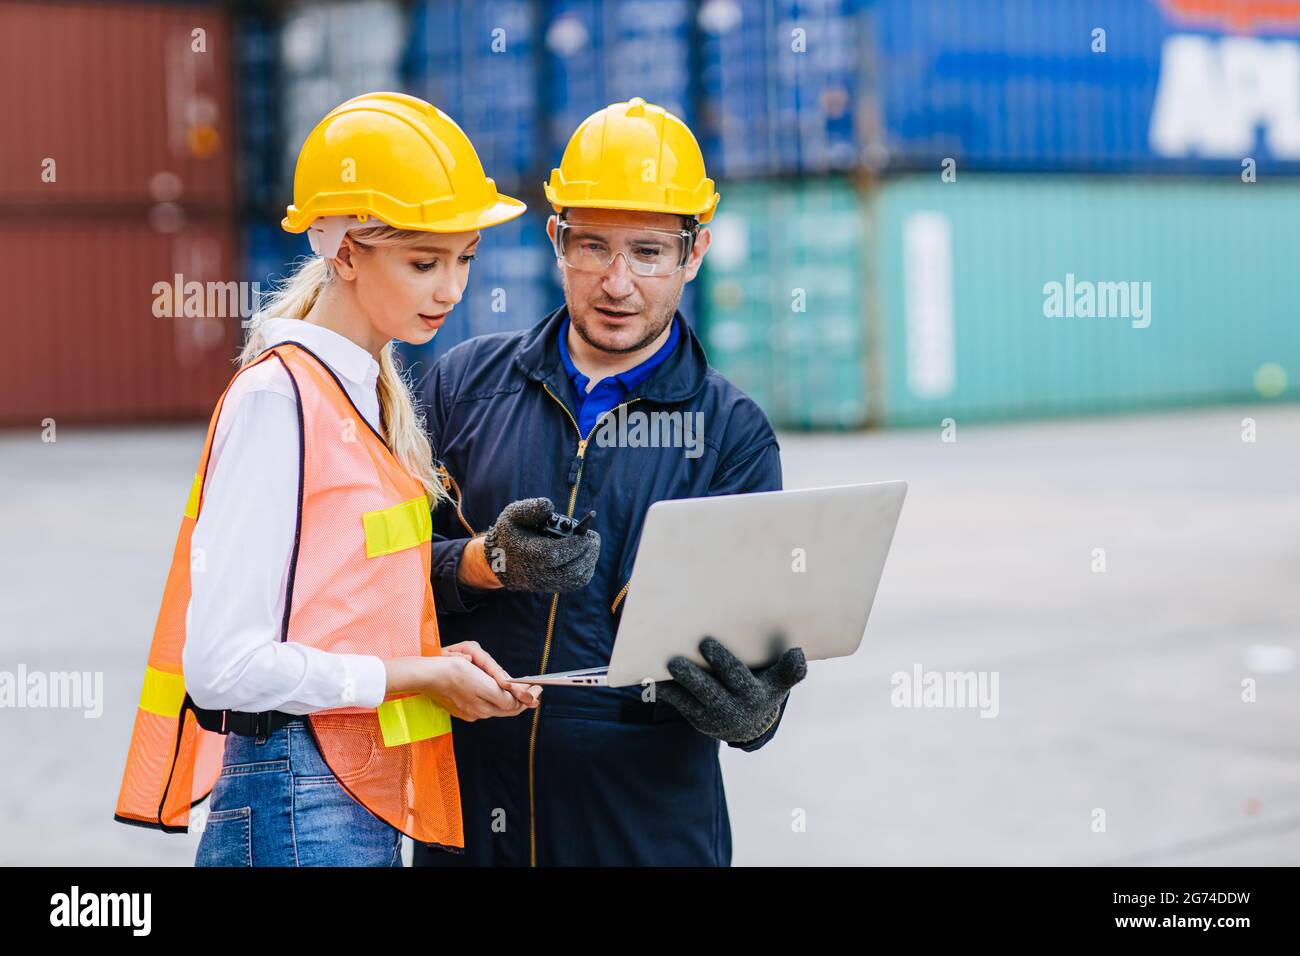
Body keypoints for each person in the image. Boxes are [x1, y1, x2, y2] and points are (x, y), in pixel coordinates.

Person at [113, 92, 573, 866]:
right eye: (424, 262)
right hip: (301, 796)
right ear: (348, 254)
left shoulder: (362, 397)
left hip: (339, 796)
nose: (451, 289)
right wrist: (416, 674)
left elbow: (336, 610)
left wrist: (439, 663)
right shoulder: (278, 399)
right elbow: (224, 667)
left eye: (464, 259)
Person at [411, 98, 807, 867]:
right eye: (592, 246)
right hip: (471, 824)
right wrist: (482, 562)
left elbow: (750, 641)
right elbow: (373, 581)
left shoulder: (732, 436)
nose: (617, 283)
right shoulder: (460, 389)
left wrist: (756, 712)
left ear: (695, 252)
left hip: (643, 834)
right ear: (557, 240)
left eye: (648, 252)